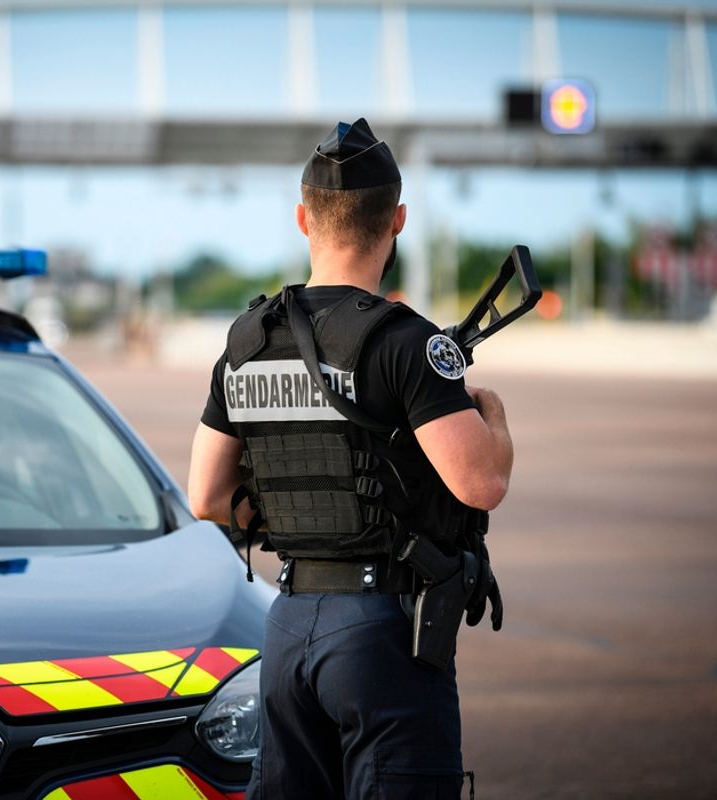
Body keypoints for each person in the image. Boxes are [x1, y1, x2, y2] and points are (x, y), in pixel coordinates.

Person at [187, 118, 514, 799]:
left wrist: (299, 517)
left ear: (304, 218)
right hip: (380, 635)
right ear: (396, 219)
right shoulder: (405, 342)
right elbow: (481, 481)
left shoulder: (248, 341)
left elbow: (206, 496)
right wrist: (494, 418)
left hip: (287, 624)